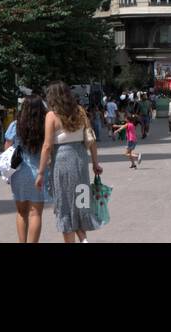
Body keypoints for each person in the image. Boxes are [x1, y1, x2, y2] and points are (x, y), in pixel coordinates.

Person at [36, 82, 103, 243]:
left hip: (62, 162)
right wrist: (95, 163)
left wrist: (40, 172)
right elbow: (91, 139)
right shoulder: (80, 112)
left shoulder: (51, 116)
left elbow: (46, 146)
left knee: (65, 204)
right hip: (81, 161)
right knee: (81, 201)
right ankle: (84, 240)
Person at [4, 95, 52, 243]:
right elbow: (50, 147)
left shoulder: (15, 125)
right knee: (35, 213)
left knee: (21, 212)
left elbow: (7, 147)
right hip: (39, 171)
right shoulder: (46, 125)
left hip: (18, 172)